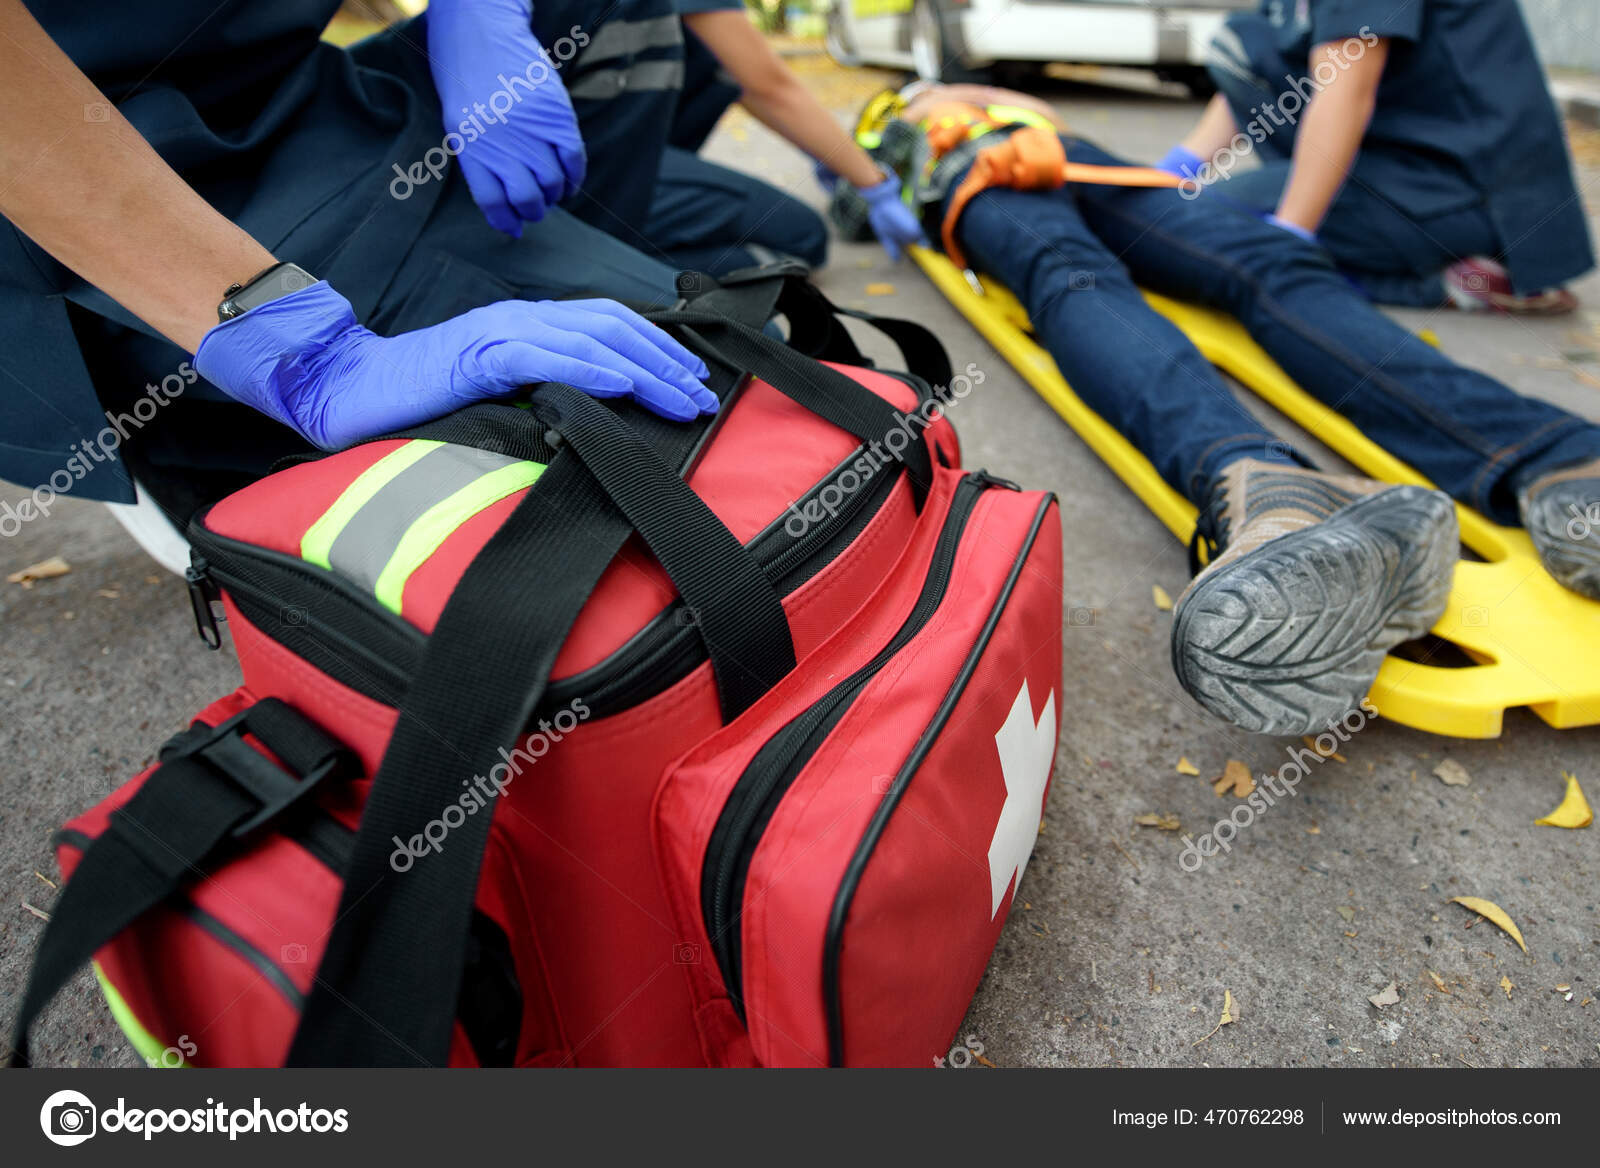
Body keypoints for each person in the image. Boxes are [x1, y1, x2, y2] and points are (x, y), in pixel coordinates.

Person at [832, 82, 1600, 736]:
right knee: (1081, 274)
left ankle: (1549, 459)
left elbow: (926, 157)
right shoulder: (890, 124)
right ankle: (1275, 486)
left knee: (1253, 264)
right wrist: (884, 182)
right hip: (982, 175)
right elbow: (856, 188)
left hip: (1073, 160)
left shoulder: (921, 116)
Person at [0, 0, 713, 567]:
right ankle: (194, 427)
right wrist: (302, 355)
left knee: (698, 378)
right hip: (101, 209)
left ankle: (543, 276)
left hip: (316, 112)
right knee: (671, 436)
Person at [1158, 0, 1593, 314]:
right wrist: (1172, 175)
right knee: (1242, 41)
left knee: (1210, 222)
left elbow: (1347, 88)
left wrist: (1287, 239)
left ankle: (1451, 281)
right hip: (1406, 154)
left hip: (1468, 189)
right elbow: (1263, 63)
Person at [606, 0, 925, 274]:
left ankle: (607, 258)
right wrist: (874, 186)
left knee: (778, 247)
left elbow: (749, 85)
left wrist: (833, 155)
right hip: (604, 170)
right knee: (801, 241)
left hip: (613, 160)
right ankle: (607, 270)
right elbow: (770, 89)